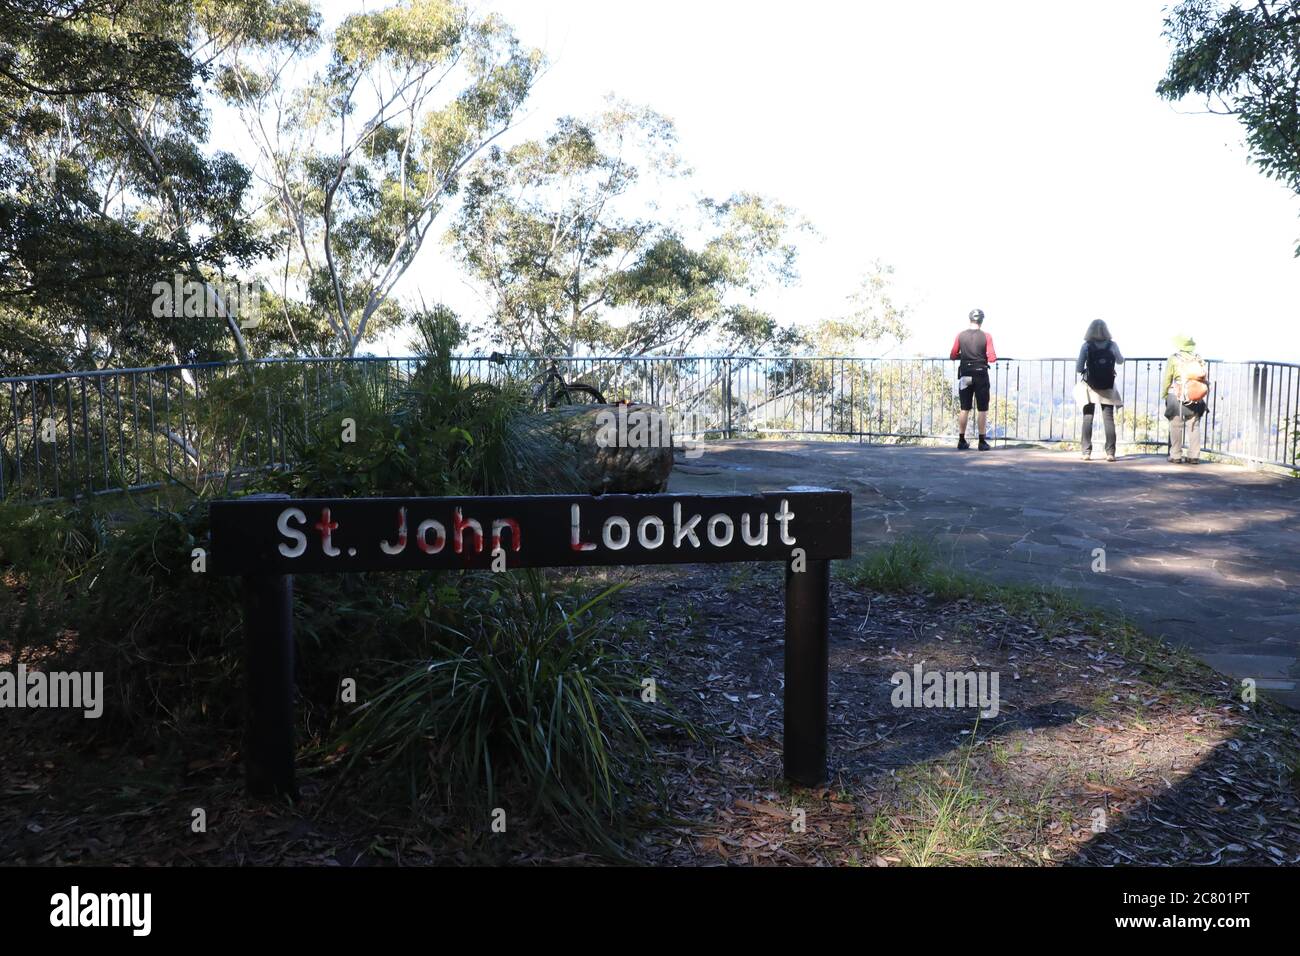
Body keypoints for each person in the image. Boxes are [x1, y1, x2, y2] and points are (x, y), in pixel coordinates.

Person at [1074, 319, 1124, 462]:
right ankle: (1110, 453)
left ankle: (1086, 452)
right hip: (1107, 386)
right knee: (1108, 418)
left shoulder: (1086, 346)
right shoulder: (1112, 345)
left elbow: (1078, 369)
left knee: (1087, 417)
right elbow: (1120, 361)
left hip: (1090, 387)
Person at [950, 308, 997, 450]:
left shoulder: (960, 335)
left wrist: (963, 356)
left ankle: (961, 440)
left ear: (970, 319)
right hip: (980, 375)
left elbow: (952, 355)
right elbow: (992, 358)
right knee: (982, 409)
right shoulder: (986, 336)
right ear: (981, 321)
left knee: (964, 408)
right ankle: (982, 442)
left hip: (965, 374)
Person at [1161, 334, 1209, 464]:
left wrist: (1165, 394)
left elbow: (1167, 379)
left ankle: (1175, 455)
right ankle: (1194, 455)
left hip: (1177, 396)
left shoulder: (1173, 359)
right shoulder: (1198, 359)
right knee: (1194, 425)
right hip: (1195, 396)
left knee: (1176, 425)